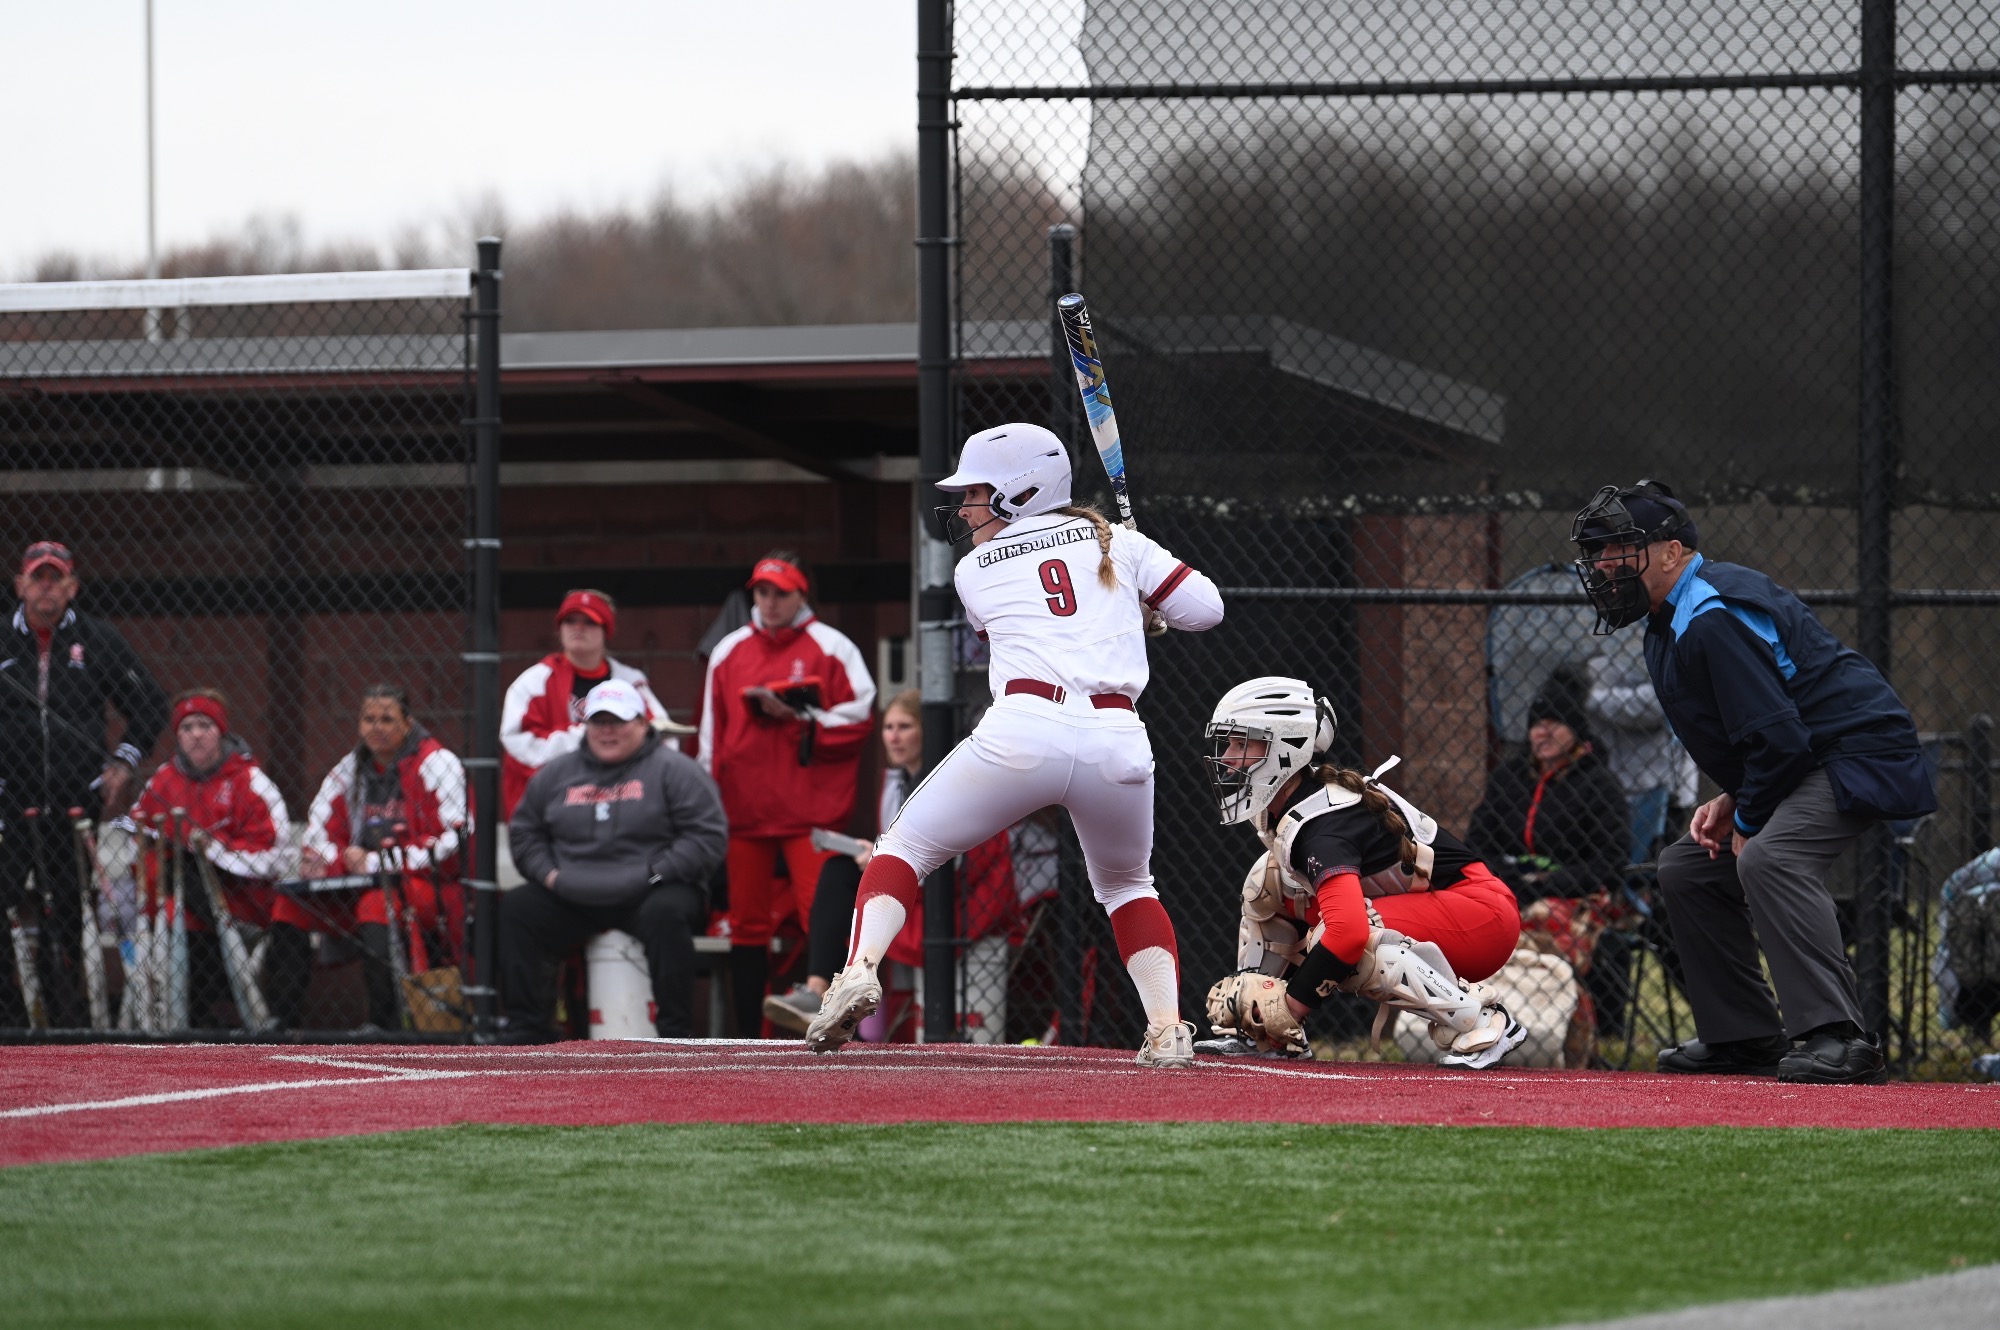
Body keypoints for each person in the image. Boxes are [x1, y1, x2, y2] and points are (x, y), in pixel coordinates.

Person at [805, 422, 1225, 1067]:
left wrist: (1129, 596)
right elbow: (1207, 610)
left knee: (907, 846)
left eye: (976, 493)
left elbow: (1045, 602)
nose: (965, 508)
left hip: (1026, 728)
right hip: (1118, 740)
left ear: (1019, 493)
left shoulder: (975, 569)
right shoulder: (1125, 545)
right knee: (1129, 887)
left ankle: (860, 969)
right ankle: (1167, 1028)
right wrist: (1145, 601)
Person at [1571, 480, 1937, 1083]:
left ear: (1672, 551)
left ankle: (1839, 1037)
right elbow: (1768, 731)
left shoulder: (1710, 615)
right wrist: (1736, 799)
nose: (1604, 565)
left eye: (1618, 548)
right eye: (1598, 552)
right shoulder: (1666, 621)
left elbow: (1780, 740)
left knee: (1771, 859)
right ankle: (1742, 1036)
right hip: (1811, 754)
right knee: (1686, 867)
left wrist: (1748, 817)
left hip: (1858, 753)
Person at [1194, 677, 1527, 1069]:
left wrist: (1288, 1007)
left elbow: (1348, 932)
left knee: (1351, 937)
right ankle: (1262, 1036)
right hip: (1451, 906)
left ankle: (1483, 1023)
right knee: (1266, 883)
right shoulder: (1298, 804)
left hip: (1483, 917)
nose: (1230, 758)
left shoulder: (1321, 828)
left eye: (1242, 743)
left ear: (1282, 747)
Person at [763, 690, 1016, 1040]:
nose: (894, 736)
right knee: (839, 869)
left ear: (926, 732)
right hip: (920, 892)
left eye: (905, 727)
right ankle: (819, 989)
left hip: (961, 900)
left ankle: (843, 994)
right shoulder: (894, 783)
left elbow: (952, 862)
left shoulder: (952, 777)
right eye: (889, 727)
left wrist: (883, 860)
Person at [698, 551, 876, 1037]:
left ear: (802, 593)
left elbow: (861, 716)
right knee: (747, 928)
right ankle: (748, 1040)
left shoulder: (832, 646)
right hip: (745, 813)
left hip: (809, 815)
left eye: (781, 592)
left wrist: (799, 716)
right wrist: (711, 803)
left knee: (819, 921)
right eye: (762, 592)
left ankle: (831, 1030)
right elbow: (711, 739)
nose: (771, 601)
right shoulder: (729, 651)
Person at [0, 540, 168, 1028]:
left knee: (67, 909)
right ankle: (9, 1018)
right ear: (20, 585)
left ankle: (63, 1016)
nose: (46, 587)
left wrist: (123, 761)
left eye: (56, 579)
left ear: (72, 587)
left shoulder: (99, 640)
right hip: (11, 798)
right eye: (37, 577)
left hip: (75, 803)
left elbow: (151, 705)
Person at [502, 678, 728, 1041]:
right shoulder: (556, 774)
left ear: (642, 723)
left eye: (618, 722)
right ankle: (526, 1033)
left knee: (666, 915)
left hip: (651, 890)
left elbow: (707, 836)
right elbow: (526, 832)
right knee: (519, 908)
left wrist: (657, 873)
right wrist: (549, 876)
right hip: (571, 892)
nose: (607, 731)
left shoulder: (677, 770)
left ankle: (676, 1037)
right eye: (598, 722)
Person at [271, 684, 470, 1031]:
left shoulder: (438, 763)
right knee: (289, 907)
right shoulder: (350, 769)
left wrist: (378, 863)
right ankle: (282, 1022)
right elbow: (319, 834)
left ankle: (383, 1022)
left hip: (426, 888)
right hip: (358, 885)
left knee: (376, 904)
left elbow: (453, 843)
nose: (376, 728)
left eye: (387, 719)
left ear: (408, 724)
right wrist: (335, 859)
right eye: (368, 719)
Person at [1466, 669, 1633, 1036]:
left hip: (1575, 893)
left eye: (1554, 723)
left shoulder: (1599, 785)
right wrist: (1508, 878)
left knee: (1544, 916)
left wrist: (1547, 882)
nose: (1542, 732)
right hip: (1506, 886)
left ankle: (1557, 1033)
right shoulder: (1509, 778)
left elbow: (1610, 860)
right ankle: (1477, 1023)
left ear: (1575, 731)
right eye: (1536, 725)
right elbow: (1476, 842)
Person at [132, 690, 290, 1028]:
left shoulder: (250, 780)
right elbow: (142, 843)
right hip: (181, 901)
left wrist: (211, 850)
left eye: (205, 725)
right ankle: (198, 1017)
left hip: (240, 898)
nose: (196, 734)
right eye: (187, 727)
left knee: (188, 885)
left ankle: (212, 1013)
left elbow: (272, 857)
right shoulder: (162, 780)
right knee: (180, 901)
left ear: (221, 731)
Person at [501, 589, 666, 819]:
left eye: (589, 622)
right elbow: (519, 745)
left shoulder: (630, 681)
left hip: (623, 798)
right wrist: (586, 739)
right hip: (556, 803)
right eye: (570, 620)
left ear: (606, 631)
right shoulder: (534, 682)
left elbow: (661, 733)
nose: (578, 628)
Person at [1584, 627, 1698, 861]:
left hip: (1665, 782)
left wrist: (1593, 699)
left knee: (1656, 863)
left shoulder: (1667, 639)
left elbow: (1657, 703)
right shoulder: (1598, 656)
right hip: (1613, 779)